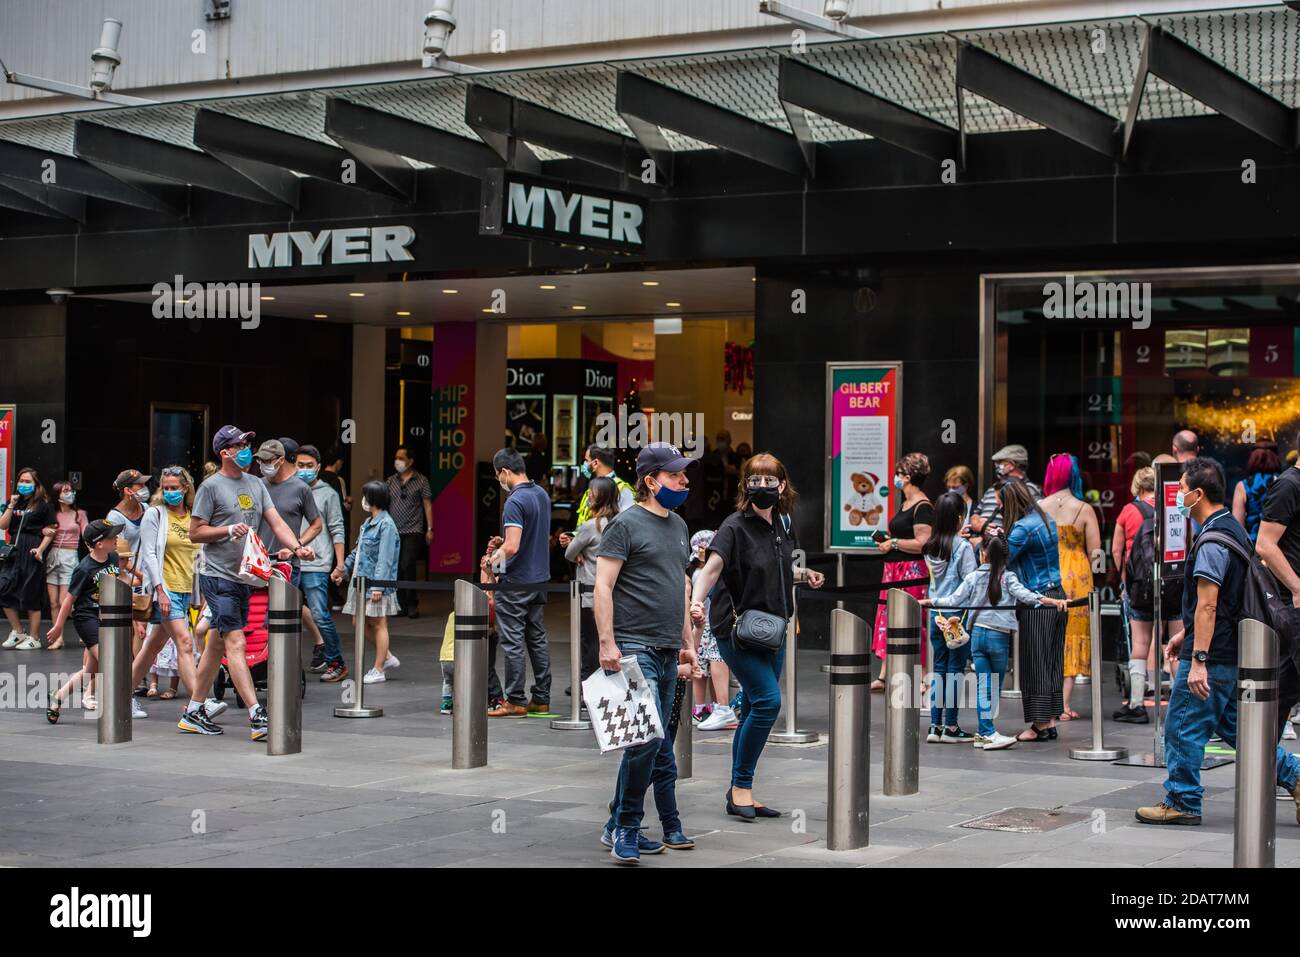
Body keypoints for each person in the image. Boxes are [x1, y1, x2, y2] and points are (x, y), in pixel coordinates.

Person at [1137, 457, 1300, 825]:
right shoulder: (1232, 528)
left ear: (1198, 493)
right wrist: (1185, 632)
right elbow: (1223, 599)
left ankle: (1182, 800)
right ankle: (1294, 774)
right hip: (1230, 649)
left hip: (1215, 654)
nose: (1178, 496)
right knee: (1239, 729)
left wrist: (1198, 658)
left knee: (1182, 726)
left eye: (1181, 489)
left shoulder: (1211, 539)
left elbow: (1209, 605)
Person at [691, 452, 824, 822]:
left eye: (770, 480)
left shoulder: (782, 523)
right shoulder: (734, 526)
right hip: (735, 630)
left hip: (772, 629)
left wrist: (804, 575)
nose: (762, 487)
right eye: (755, 480)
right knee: (767, 702)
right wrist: (696, 602)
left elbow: (775, 570)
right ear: (744, 485)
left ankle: (739, 789)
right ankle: (741, 788)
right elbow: (711, 568)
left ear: (782, 485)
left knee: (752, 705)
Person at [596, 442, 701, 862]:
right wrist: (607, 643)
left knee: (653, 742)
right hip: (634, 643)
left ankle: (615, 822)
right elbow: (602, 586)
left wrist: (688, 645)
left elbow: (680, 590)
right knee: (642, 740)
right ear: (651, 480)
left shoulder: (678, 526)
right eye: (676, 475)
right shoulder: (624, 525)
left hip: (666, 646)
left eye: (684, 474)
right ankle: (626, 828)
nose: (684, 481)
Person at [186, 425, 315, 741]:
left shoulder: (256, 484)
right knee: (236, 643)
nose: (246, 449)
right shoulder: (210, 487)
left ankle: (193, 711)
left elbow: (277, 522)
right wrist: (227, 530)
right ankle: (257, 716)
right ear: (224, 452)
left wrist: (298, 548)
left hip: (246, 577)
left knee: (216, 643)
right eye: (240, 444)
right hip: (218, 577)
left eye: (247, 443)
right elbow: (195, 532)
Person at [925, 530, 1066, 750]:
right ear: (1006, 558)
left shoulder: (973, 577)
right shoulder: (1009, 577)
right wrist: (1049, 600)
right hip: (998, 637)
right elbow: (1026, 596)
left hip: (978, 636)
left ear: (983, 555)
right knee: (993, 687)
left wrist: (930, 601)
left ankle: (985, 732)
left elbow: (954, 599)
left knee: (983, 685)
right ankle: (987, 732)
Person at [130, 466, 217, 725]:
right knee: (185, 643)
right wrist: (159, 590)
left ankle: (119, 695)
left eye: (174, 488)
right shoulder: (155, 515)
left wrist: (202, 595)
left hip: (186, 590)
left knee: (152, 648)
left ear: (185, 488)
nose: (169, 492)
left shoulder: (193, 516)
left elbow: (200, 557)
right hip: (163, 590)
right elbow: (149, 554)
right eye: (165, 488)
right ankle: (198, 704)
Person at [44, 520, 142, 721]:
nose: (117, 539)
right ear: (99, 543)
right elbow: (68, 599)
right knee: (110, 659)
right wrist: (58, 626)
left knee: (90, 671)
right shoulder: (84, 568)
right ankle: (119, 706)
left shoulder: (113, 558)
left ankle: (59, 696)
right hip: (87, 618)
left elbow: (117, 583)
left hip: (107, 616)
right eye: (112, 537)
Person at [483, 448, 554, 717]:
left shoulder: (514, 501)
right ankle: (542, 698)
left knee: (512, 641)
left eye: (498, 475)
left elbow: (512, 546)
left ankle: (515, 699)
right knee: (536, 638)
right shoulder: (541, 494)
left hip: (516, 581)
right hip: (540, 579)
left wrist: (492, 562)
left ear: (504, 472)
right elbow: (529, 538)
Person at [1000, 478, 1068, 742]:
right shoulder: (1046, 519)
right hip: (1057, 595)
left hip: (1037, 599)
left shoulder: (1021, 529)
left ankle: (1040, 723)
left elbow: (1001, 557)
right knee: (1051, 661)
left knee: (1035, 661)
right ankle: (1049, 719)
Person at [1039, 453, 1099, 721]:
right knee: (1072, 636)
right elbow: (1096, 552)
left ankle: (1046, 701)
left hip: (1049, 571)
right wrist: (1099, 577)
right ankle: (1063, 703)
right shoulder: (1084, 508)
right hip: (1077, 577)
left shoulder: (1039, 507)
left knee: (1048, 635)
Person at [870, 452, 933, 689]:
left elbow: (922, 543)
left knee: (914, 620)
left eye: (898, 474)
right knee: (889, 617)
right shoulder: (905, 503)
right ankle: (885, 674)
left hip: (911, 571)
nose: (895, 479)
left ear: (907, 477)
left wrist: (893, 543)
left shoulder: (923, 506)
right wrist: (890, 541)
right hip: (894, 569)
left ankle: (923, 675)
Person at [922, 490, 977, 743]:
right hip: (958, 616)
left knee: (939, 669)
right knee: (955, 670)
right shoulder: (963, 547)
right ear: (957, 518)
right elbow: (971, 581)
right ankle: (951, 727)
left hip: (935, 614)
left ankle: (935, 725)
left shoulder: (930, 546)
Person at [332, 480, 401, 684]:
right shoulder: (368, 523)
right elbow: (358, 551)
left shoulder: (386, 525)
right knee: (358, 622)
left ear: (373, 499)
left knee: (379, 624)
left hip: (375, 583)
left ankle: (379, 668)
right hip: (360, 581)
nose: (363, 500)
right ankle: (386, 656)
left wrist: (379, 585)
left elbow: (385, 559)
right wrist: (342, 570)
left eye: (366, 496)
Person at [1255, 438, 1300, 744]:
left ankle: (1272, 770)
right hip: (1293, 605)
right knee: (1283, 691)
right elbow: (1264, 544)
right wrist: (1298, 588)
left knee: (1284, 690)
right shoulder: (1288, 486)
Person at [296, 445, 348, 682]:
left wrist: (339, 565)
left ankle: (336, 661)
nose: (304, 470)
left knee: (320, 614)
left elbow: (337, 529)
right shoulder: (291, 490)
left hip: (317, 563)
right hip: (292, 561)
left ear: (318, 466)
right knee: (280, 612)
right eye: (300, 465)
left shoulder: (328, 494)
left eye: (309, 466)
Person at [1112, 466, 1159, 722]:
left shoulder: (1129, 511)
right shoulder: (1171, 510)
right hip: (1171, 585)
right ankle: (1180, 703)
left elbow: (1117, 552)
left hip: (1139, 585)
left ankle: (1137, 703)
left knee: (1140, 643)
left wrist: (1123, 582)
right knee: (1175, 643)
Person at [564, 475, 618, 688]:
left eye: (591, 493)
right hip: (614, 593)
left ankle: (588, 689)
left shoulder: (591, 526)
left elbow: (569, 553)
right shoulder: (618, 522)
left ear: (599, 498)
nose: (587, 497)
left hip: (589, 593)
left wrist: (578, 550)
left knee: (589, 643)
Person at [0, 467, 56, 649]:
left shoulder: (44, 504)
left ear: (36, 484)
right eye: (21, 481)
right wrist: (11, 505)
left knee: (31, 593)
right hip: (14, 550)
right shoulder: (14, 502)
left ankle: (34, 638)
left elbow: (51, 530)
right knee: (4, 589)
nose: (23, 485)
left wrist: (40, 549)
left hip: (32, 549)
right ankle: (18, 631)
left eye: (27, 481)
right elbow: (3, 525)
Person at [255, 439, 322, 587]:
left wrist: (296, 546)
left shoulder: (301, 488)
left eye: (268, 460)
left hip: (287, 563)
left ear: (281, 459)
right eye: (261, 460)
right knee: (255, 609)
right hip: (256, 563)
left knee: (284, 610)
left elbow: (317, 525)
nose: (263, 464)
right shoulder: (256, 485)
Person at [689, 529, 736, 731]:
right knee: (717, 662)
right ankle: (721, 707)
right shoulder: (706, 574)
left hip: (703, 627)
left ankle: (702, 708)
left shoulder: (697, 573)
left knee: (702, 669)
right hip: (711, 625)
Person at [386, 446, 433, 619]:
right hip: (393, 530)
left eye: (401, 458)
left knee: (407, 564)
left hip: (413, 529)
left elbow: (427, 504)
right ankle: (400, 604)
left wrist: (430, 528)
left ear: (410, 461)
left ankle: (412, 603)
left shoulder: (421, 480)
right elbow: (383, 503)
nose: (397, 461)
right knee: (396, 567)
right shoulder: (390, 481)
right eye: (396, 457)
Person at [43, 481, 86, 650]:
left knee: (65, 601)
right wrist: (44, 531)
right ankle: (57, 638)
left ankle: (86, 629)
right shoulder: (52, 514)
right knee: (53, 602)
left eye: (71, 490)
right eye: (66, 491)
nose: (70, 493)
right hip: (53, 556)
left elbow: (87, 533)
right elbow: (43, 529)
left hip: (70, 556)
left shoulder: (79, 514)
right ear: (58, 496)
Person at [968, 444, 1043, 539]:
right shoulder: (993, 488)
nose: (996, 466)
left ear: (1011, 465)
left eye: (999, 463)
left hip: (1002, 547)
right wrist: (977, 525)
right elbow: (975, 513)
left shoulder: (1030, 490)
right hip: (977, 545)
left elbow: (1034, 523)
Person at [572, 445, 635, 526]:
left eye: (587, 460)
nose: (584, 464)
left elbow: (628, 525)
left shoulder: (623, 490)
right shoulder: (592, 488)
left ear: (595, 463)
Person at [1232, 442, 1282, 544]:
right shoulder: (1282, 482)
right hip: (1278, 547)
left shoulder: (1242, 486)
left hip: (1252, 547)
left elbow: (1237, 526)